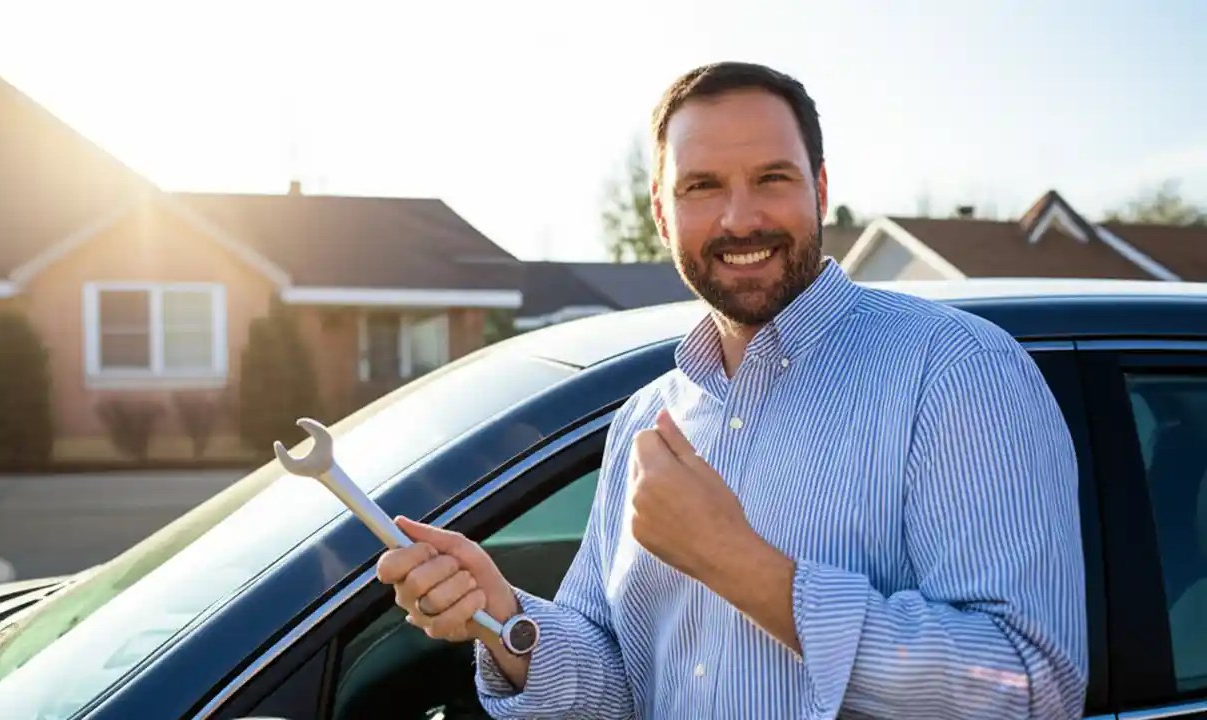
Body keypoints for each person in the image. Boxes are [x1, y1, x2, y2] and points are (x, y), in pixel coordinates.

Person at [376, 61, 1089, 719]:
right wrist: (503, 618)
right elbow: (625, 686)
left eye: (772, 179)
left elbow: (1031, 687)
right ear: (662, 212)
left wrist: (742, 565)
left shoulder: (955, 371)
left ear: (821, 190)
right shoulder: (646, 418)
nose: (740, 219)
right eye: (702, 186)